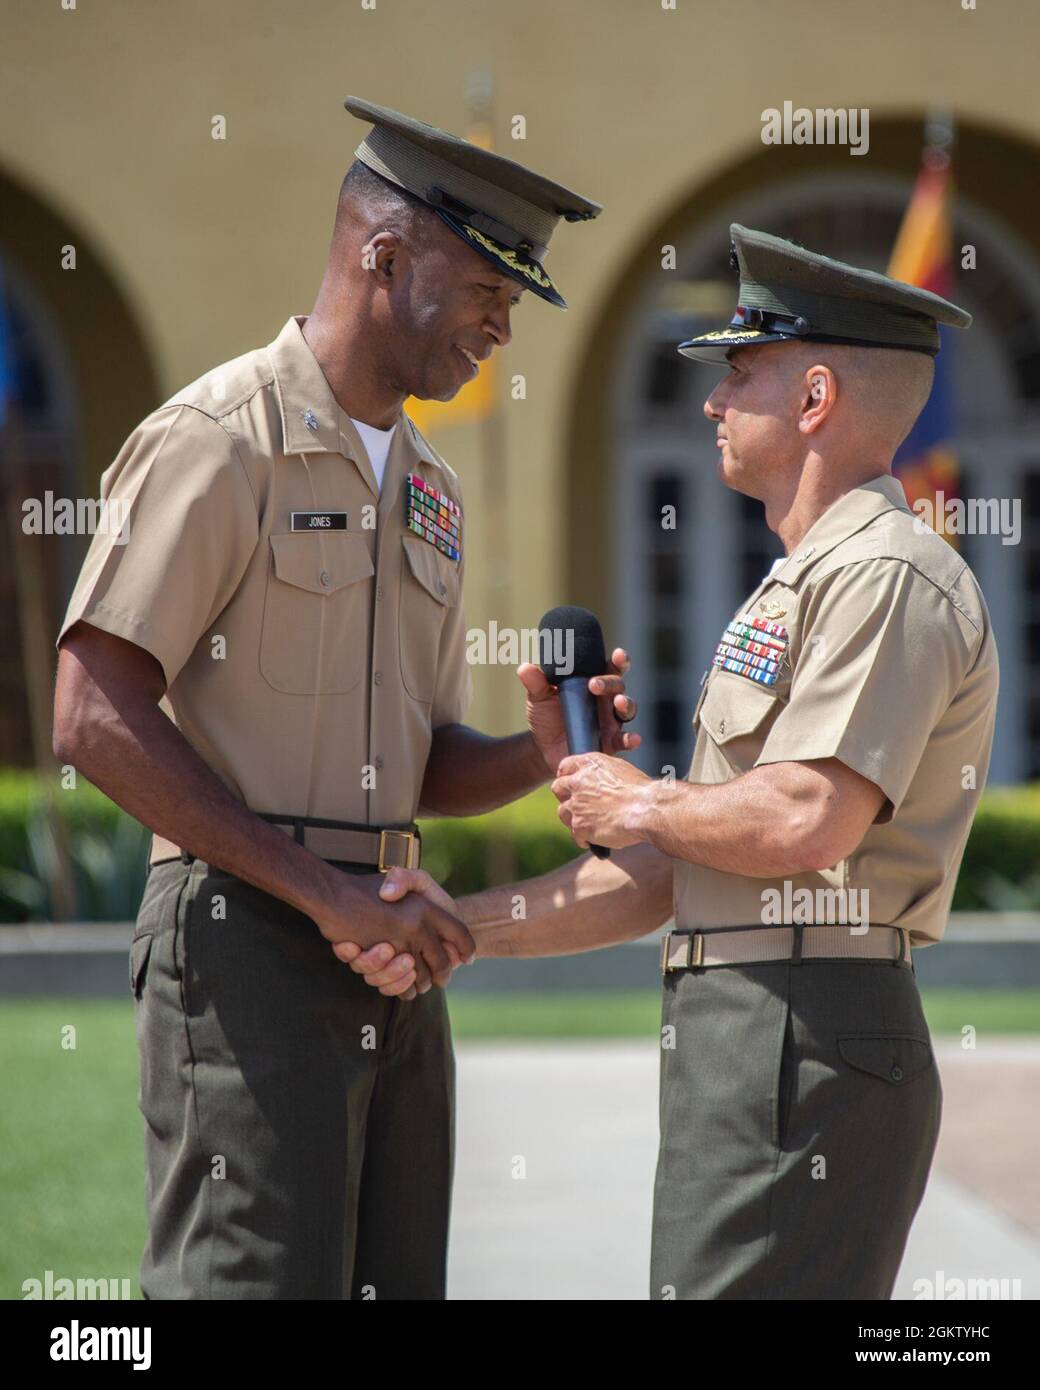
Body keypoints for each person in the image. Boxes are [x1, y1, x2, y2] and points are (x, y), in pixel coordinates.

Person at [51, 96, 639, 1301]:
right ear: (383, 255)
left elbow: (417, 764)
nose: (501, 331)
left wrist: (534, 754)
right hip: (244, 937)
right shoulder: (221, 440)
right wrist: (322, 894)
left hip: (388, 940)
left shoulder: (430, 487)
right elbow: (91, 712)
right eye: (488, 291)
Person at [343, 224, 1000, 1300]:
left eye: (739, 373)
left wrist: (640, 797)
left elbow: (804, 821)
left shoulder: (883, 575)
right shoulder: (803, 584)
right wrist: (458, 933)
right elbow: (663, 876)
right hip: (754, 1024)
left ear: (814, 397)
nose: (710, 401)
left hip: (806, 1024)